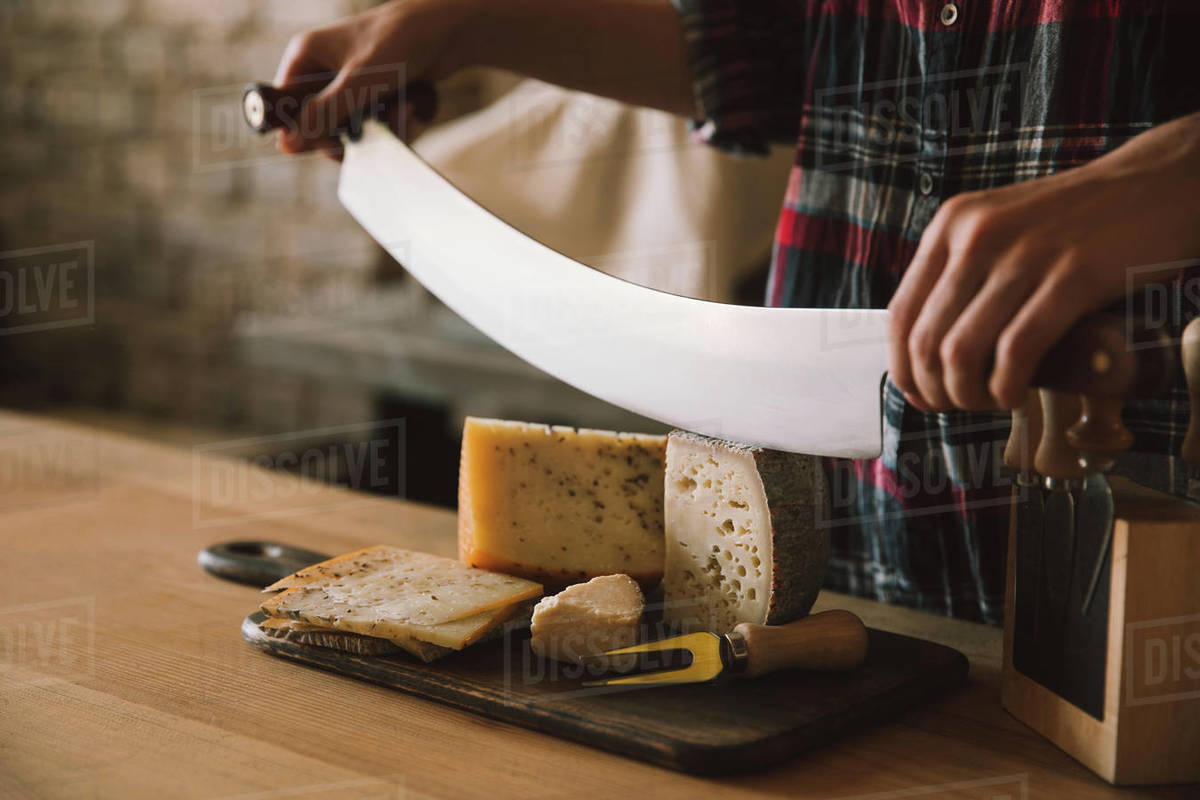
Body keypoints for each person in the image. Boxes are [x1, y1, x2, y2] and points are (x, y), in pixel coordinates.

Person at [270, 0, 1200, 624]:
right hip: (863, 576)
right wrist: (468, 20)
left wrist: (1170, 177)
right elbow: (784, 42)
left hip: (1154, 596)